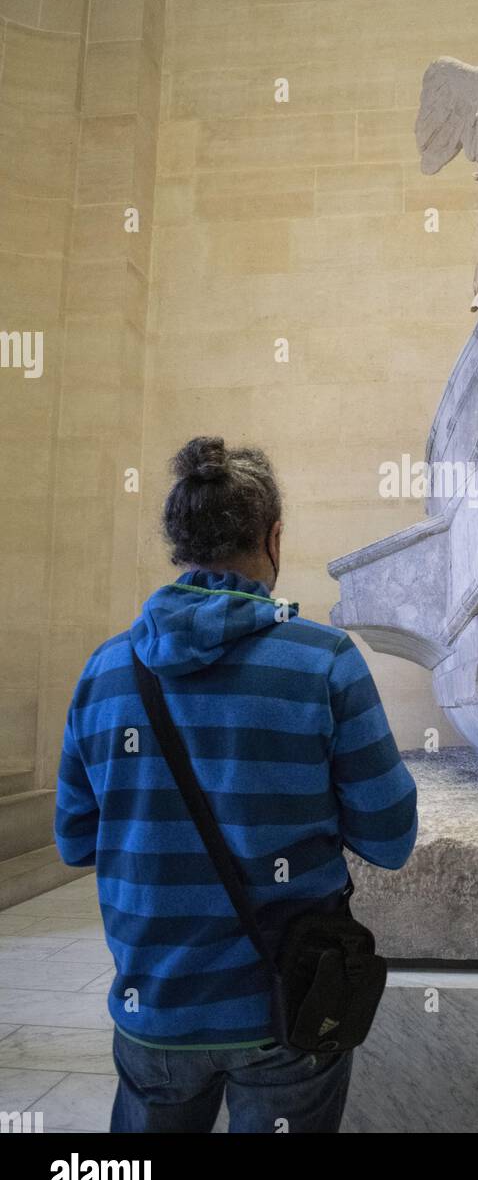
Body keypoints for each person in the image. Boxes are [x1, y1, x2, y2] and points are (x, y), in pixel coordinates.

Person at [54, 435, 418, 1133]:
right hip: (285, 1007)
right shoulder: (325, 663)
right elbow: (391, 838)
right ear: (273, 537)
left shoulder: (102, 673)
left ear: (177, 545)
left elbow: (75, 841)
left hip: (153, 1008)